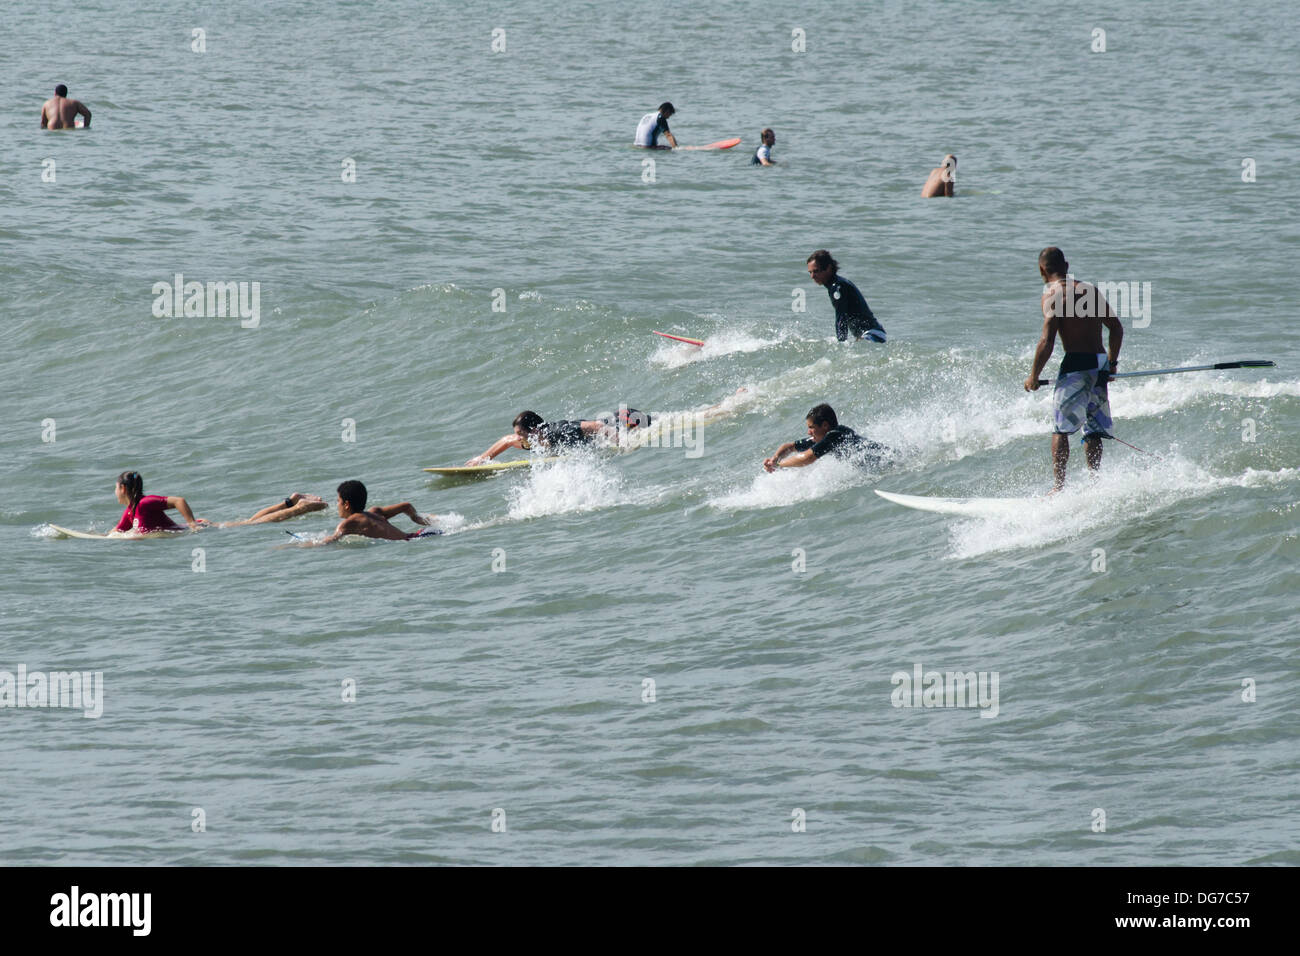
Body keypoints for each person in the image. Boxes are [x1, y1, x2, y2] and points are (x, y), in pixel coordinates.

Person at [1023, 246, 1124, 491]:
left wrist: (1033, 376)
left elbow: (1046, 341)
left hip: (1075, 364)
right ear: (1066, 266)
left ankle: (1058, 488)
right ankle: (1094, 483)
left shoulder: (1053, 295)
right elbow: (1116, 328)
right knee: (1093, 428)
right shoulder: (1090, 291)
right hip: (1098, 364)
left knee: (1061, 429)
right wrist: (1111, 364)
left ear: (1041, 270)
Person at [466, 407, 650, 465]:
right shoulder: (528, 441)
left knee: (645, 421)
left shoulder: (558, 431)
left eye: (521, 433)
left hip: (616, 423)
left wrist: (624, 443)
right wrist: (482, 458)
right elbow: (505, 441)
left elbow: (598, 426)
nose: (518, 438)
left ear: (535, 430)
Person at [763, 404, 889, 471]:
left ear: (824, 425)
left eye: (811, 427)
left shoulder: (835, 434)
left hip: (886, 461)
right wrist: (775, 458)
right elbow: (790, 447)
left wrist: (779, 465)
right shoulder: (821, 438)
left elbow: (807, 458)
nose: (808, 432)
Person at [308, 480, 439, 545]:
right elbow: (406, 506)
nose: (337, 505)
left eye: (338, 501)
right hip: (423, 534)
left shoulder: (347, 524)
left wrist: (304, 545)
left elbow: (329, 542)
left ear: (346, 504)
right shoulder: (375, 512)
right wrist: (417, 518)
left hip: (413, 542)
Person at [805, 250, 886, 342]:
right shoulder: (837, 284)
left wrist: (841, 344)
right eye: (810, 272)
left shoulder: (838, 287)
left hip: (873, 334)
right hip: (871, 335)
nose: (812, 276)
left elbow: (841, 317)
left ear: (828, 268)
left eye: (816, 271)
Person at [112, 471, 200, 532]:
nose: (115, 492)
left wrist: (192, 524)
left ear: (123, 488)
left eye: (116, 488)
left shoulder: (145, 503)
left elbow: (179, 501)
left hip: (198, 528)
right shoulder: (130, 512)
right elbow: (115, 533)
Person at [215, 493, 327, 527]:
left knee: (253, 523)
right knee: (249, 522)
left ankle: (300, 507)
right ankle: (290, 502)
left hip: (203, 526)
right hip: (206, 524)